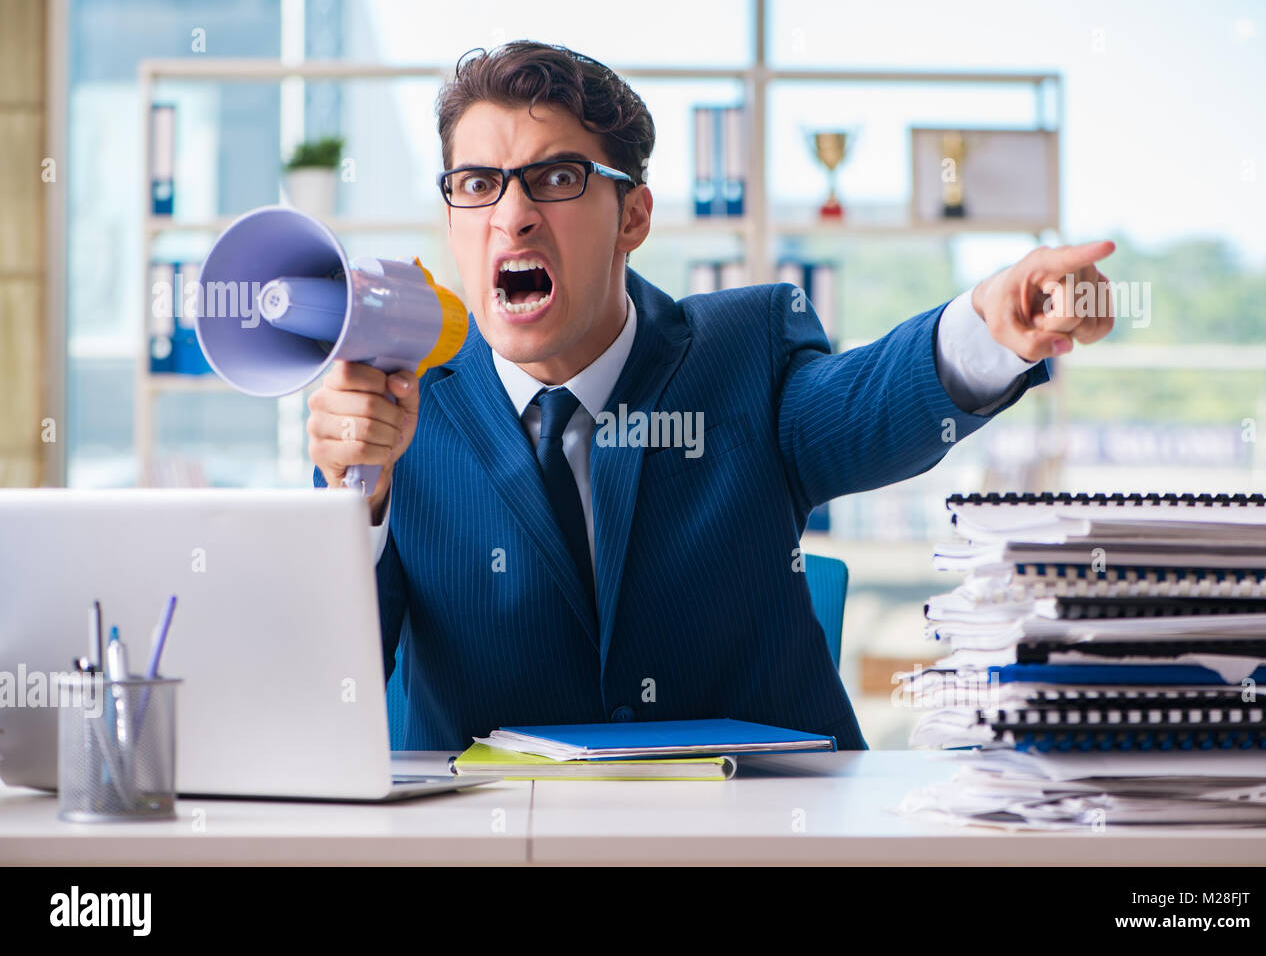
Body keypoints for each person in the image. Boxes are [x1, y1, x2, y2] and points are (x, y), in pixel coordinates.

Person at [309, 40, 1115, 750]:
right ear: (452, 219)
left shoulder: (745, 349)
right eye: (478, 184)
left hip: (761, 835)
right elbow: (327, 680)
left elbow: (866, 404)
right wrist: (360, 499)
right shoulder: (397, 409)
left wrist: (988, 325)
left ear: (633, 217)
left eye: (556, 177)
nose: (512, 216)